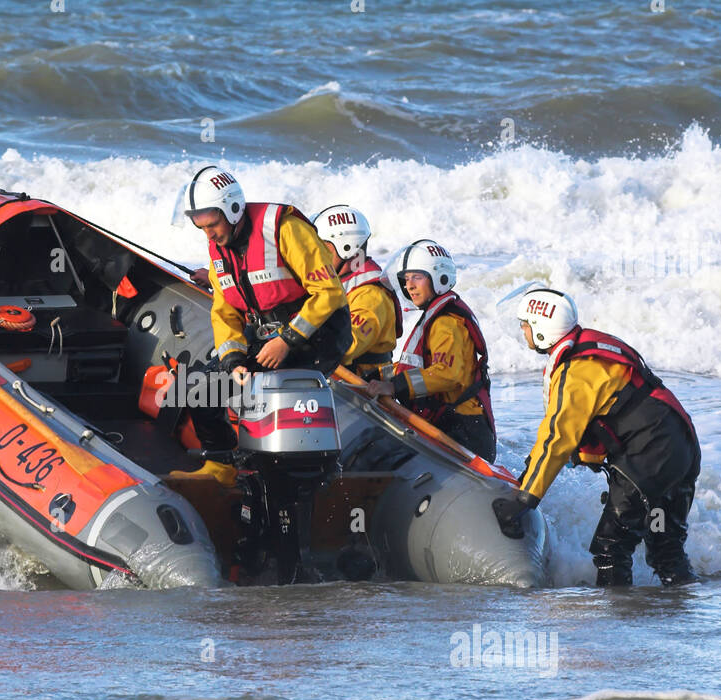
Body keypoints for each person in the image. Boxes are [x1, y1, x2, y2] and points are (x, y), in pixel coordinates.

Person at [492, 287, 700, 587]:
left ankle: (617, 629)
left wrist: (525, 499)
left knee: (610, 546)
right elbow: (571, 436)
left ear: (542, 330)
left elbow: (558, 439)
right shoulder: (589, 352)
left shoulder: (576, 370)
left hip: (650, 452)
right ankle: (684, 617)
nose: (522, 331)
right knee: (664, 545)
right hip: (678, 448)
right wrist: (532, 470)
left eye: (525, 324)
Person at [169, 165, 352, 486]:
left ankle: (298, 474)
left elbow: (330, 293)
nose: (208, 234)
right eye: (201, 227)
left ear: (234, 210)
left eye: (212, 225)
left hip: (319, 335)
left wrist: (287, 341)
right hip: (269, 334)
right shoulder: (218, 248)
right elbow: (224, 310)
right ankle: (221, 465)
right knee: (200, 389)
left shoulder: (285, 230)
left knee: (267, 391)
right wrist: (234, 359)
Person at [363, 240, 496, 462]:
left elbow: (445, 375)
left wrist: (393, 386)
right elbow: (416, 365)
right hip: (452, 424)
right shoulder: (436, 317)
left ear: (440, 277)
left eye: (417, 277)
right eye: (406, 280)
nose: (409, 286)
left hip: (464, 431)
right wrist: (377, 376)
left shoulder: (447, 323)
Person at [312, 204, 402, 378]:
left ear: (347, 248)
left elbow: (346, 344)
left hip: (361, 395)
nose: (314, 254)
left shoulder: (373, 295)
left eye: (321, 247)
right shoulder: (335, 282)